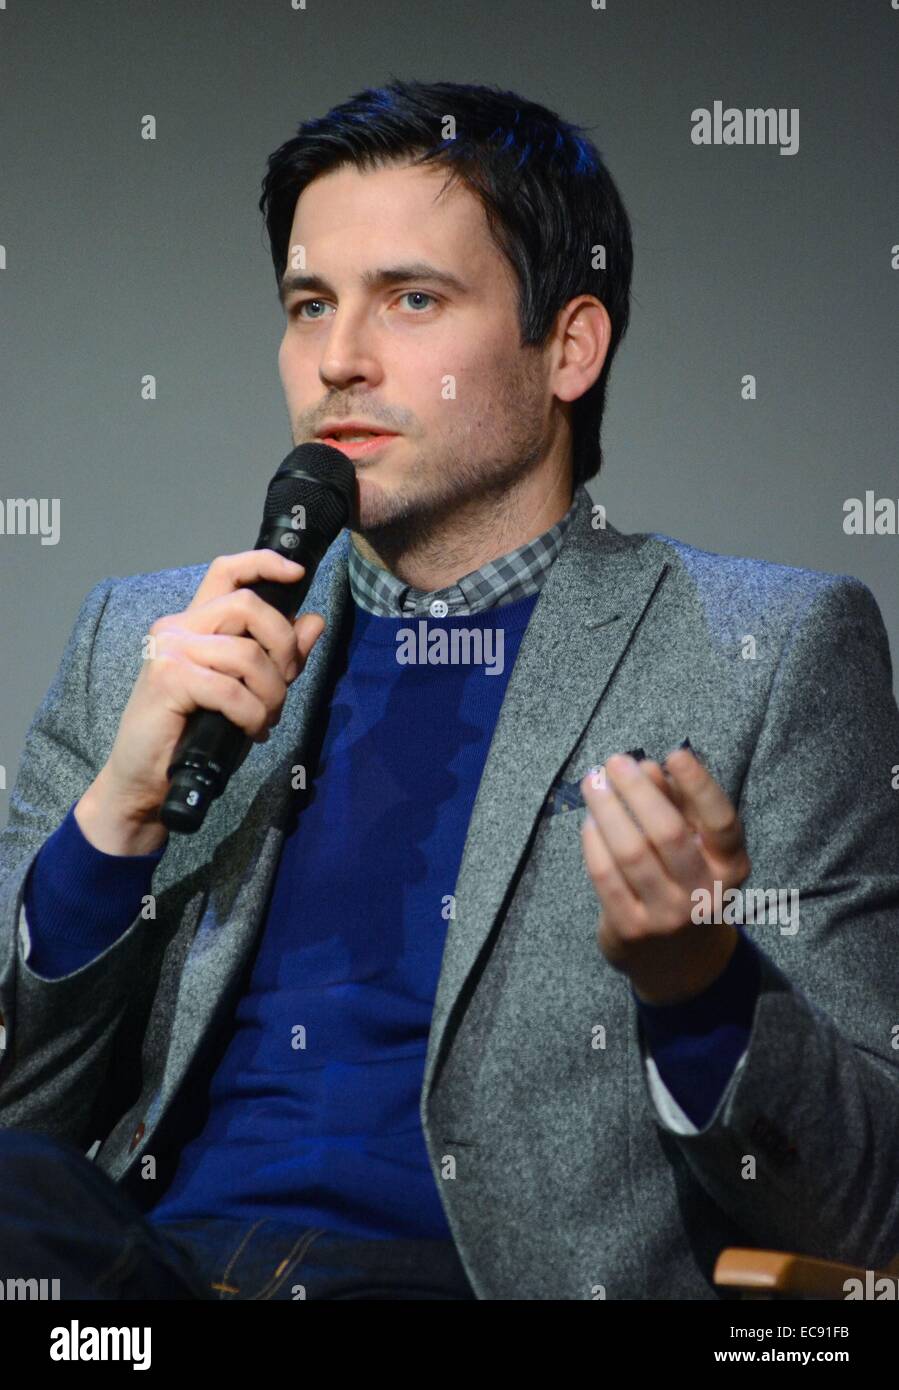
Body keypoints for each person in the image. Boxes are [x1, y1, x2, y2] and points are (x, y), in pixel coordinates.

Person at [0, 78, 897, 1302]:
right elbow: (22, 1123)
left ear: (567, 346)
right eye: (308, 304)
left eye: (410, 299)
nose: (338, 359)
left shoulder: (772, 647)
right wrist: (109, 830)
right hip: (143, 1281)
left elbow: (860, 1202)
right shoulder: (147, 645)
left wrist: (702, 986)